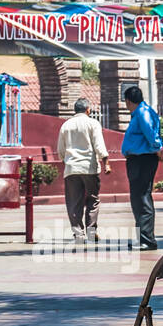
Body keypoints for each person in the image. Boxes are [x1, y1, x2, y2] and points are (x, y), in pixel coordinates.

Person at [121, 85, 163, 251]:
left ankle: (147, 240)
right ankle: (143, 237)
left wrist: (158, 148)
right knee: (138, 198)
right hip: (138, 159)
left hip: (142, 160)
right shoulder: (142, 112)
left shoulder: (142, 113)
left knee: (142, 198)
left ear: (128, 101)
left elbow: (150, 133)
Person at [56, 98, 109, 244]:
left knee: (74, 202)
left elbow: (60, 150)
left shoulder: (65, 125)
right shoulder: (93, 123)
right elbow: (99, 145)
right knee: (93, 199)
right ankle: (92, 232)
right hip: (89, 168)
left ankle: (78, 234)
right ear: (88, 110)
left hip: (72, 168)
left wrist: (66, 161)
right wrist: (106, 161)